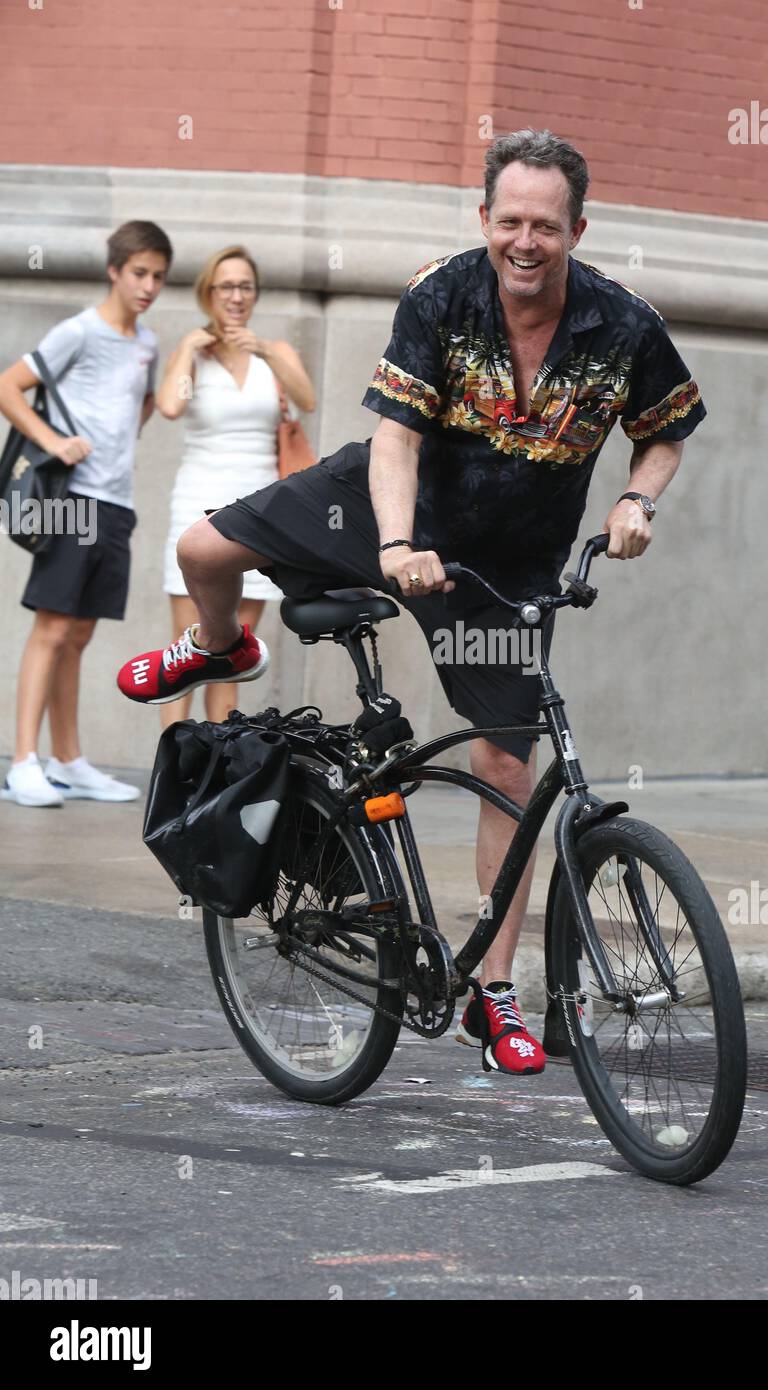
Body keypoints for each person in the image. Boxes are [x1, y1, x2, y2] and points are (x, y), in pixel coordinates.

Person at [117, 130, 706, 1074]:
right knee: (201, 548)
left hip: (506, 565)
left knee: (507, 768)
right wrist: (395, 545)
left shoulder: (623, 324)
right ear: (484, 219)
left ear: (577, 229)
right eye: (508, 220)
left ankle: (496, 997)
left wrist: (639, 497)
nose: (524, 240)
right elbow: (393, 438)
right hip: (393, 513)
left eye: (544, 226)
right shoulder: (440, 293)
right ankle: (222, 647)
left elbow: (666, 430)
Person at [0, 220, 170, 808]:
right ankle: (23, 760)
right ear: (115, 271)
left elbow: (143, 405)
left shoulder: (147, 343)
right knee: (51, 628)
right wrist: (52, 441)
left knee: (78, 634)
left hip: (116, 504)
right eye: (139, 273)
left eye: (158, 277)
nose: (149, 286)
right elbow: (8, 386)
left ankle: (68, 760)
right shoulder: (80, 331)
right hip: (71, 502)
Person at [155, 245, 315, 727]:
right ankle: (175, 776)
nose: (236, 296)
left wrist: (264, 350)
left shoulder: (276, 352)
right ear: (209, 292)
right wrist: (187, 347)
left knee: (231, 654)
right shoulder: (193, 356)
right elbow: (169, 405)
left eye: (245, 286)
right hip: (196, 503)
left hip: (257, 512)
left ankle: (218, 780)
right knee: (186, 649)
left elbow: (306, 399)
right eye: (226, 286)